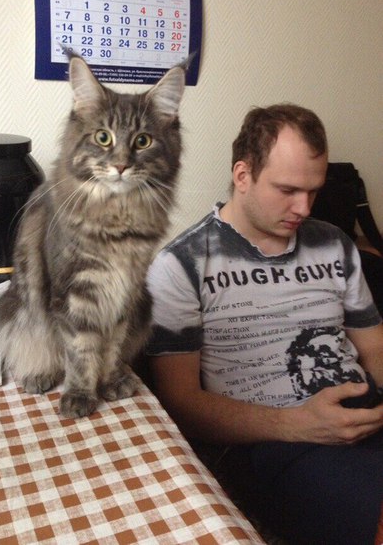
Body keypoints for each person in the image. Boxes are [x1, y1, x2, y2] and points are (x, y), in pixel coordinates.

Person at [145, 104, 383, 545]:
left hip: (365, 415)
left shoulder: (334, 243)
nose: (303, 208)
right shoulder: (182, 264)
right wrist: (299, 424)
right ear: (243, 175)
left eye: (314, 191)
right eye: (288, 190)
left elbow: (374, 349)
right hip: (278, 443)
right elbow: (180, 403)